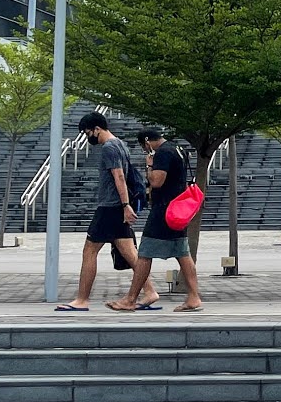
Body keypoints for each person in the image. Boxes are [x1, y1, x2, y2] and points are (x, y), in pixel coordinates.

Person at [57, 111, 161, 311]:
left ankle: (82, 299)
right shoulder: (120, 144)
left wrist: (125, 205)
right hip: (117, 207)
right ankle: (149, 291)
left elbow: (119, 176)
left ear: (97, 129)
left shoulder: (109, 148)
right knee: (130, 253)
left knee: (89, 251)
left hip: (110, 207)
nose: (88, 137)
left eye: (88, 133)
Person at [111, 129, 203, 313]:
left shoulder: (162, 153)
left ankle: (130, 299)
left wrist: (149, 166)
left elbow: (157, 181)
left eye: (144, 148)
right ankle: (194, 297)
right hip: (176, 211)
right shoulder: (177, 149)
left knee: (144, 254)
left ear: (147, 141)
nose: (146, 151)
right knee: (183, 253)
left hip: (163, 212)